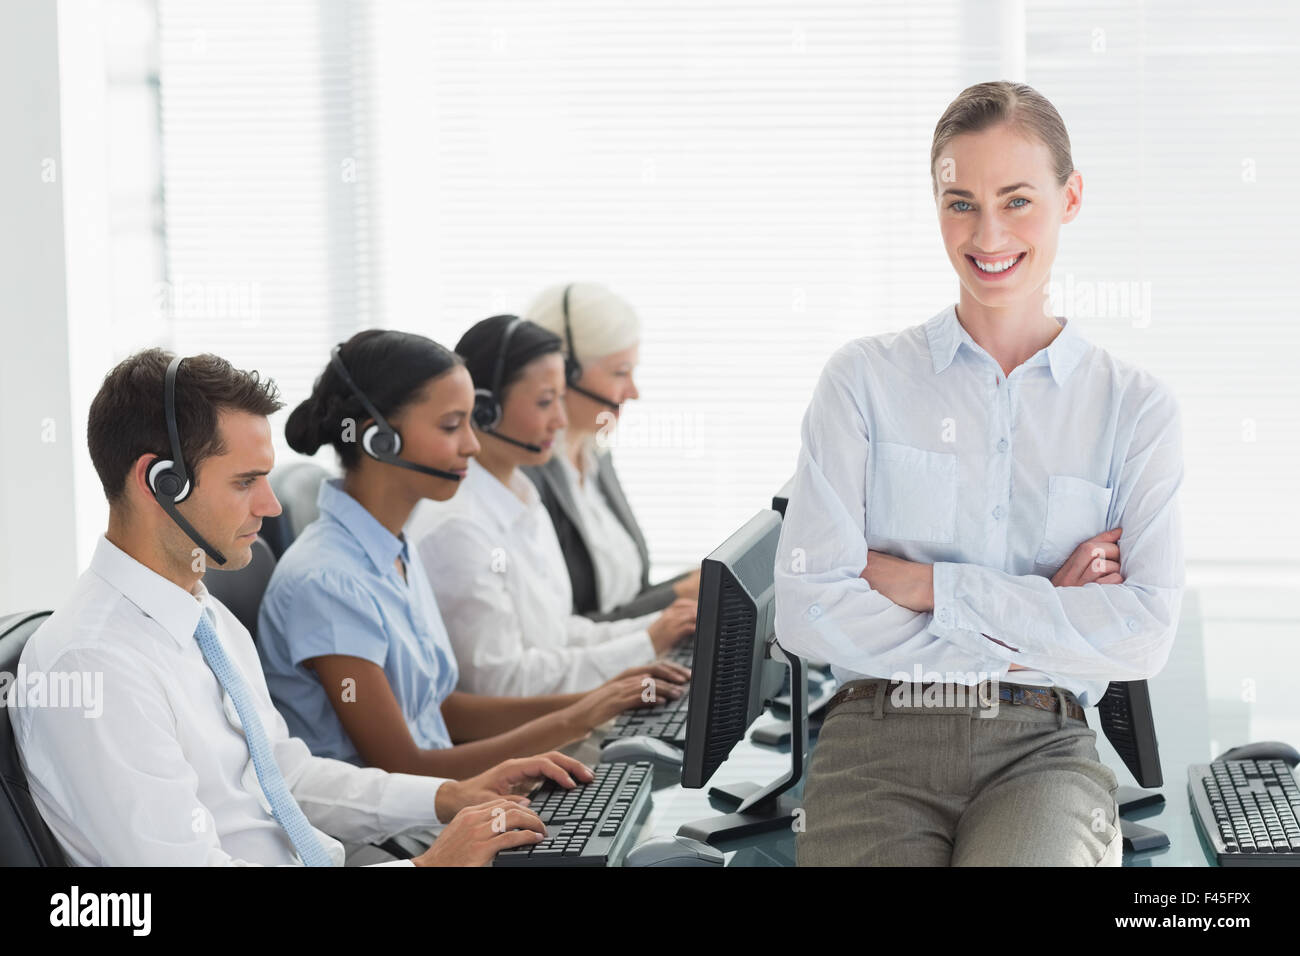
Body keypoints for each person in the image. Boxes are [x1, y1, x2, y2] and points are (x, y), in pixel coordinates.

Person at [774, 81, 1185, 866]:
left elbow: (1143, 635)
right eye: (960, 202)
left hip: (1042, 749)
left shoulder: (1135, 410)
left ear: (1070, 199)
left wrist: (927, 586)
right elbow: (809, 610)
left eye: (1017, 200)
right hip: (873, 741)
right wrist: (1046, 610)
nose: (987, 232)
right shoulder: (862, 381)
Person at [11, 348, 589, 866]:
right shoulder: (94, 667)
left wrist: (447, 796)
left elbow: (283, 776)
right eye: (245, 482)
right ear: (158, 482)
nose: (269, 505)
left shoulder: (206, 619)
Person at [257, 329, 689, 780]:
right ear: (378, 439)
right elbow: (404, 766)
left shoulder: (392, 547)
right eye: (451, 426)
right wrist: (577, 717)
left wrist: (600, 697)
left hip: (442, 806)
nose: (473, 444)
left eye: (470, 421)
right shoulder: (329, 581)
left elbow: (442, 711)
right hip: (387, 839)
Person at [408, 315, 697, 696]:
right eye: (546, 402)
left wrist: (660, 626)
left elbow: (561, 634)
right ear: (483, 409)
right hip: (529, 740)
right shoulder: (457, 526)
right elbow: (501, 683)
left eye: (561, 399)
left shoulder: (523, 496)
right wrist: (644, 644)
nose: (560, 420)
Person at [521, 281, 699, 621]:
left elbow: (633, 595)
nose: (633, 392)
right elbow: (561, 636)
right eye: (621, 372)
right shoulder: (526, 480)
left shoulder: (596, 456)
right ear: (564, 372)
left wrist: (697, 585)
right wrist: (678, 595)